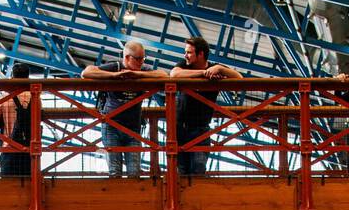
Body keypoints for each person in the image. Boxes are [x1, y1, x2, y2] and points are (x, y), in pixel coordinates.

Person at [84, 40, 165, 177]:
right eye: (138, 59)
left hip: (133, 127)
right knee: (115, 171)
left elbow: (163, 75)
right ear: (127, 57)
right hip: (111, 125)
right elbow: (86, 72)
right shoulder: (115, 67)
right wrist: (114, 76)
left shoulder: (142, 70)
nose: (141, 62)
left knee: (134, 172)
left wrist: (139, 75)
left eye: (143, 59)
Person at [169, 36, 242, 175]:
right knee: (180, 170)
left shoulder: (215, 68)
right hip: (179, 128)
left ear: (200, 54)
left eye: (189, 52)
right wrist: (204, 73)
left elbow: (239, 78)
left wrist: (220, 68)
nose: (186, 55)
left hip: (200, 129)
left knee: (198, 168)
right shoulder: (184, 65)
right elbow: (174, 74)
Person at [0, 62, 36, 176]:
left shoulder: (3, 98)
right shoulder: (35, 97)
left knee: (8, 188)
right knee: (30, 188)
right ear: (28, 77)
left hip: (9, 150)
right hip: (30, 151)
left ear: (12, 77)